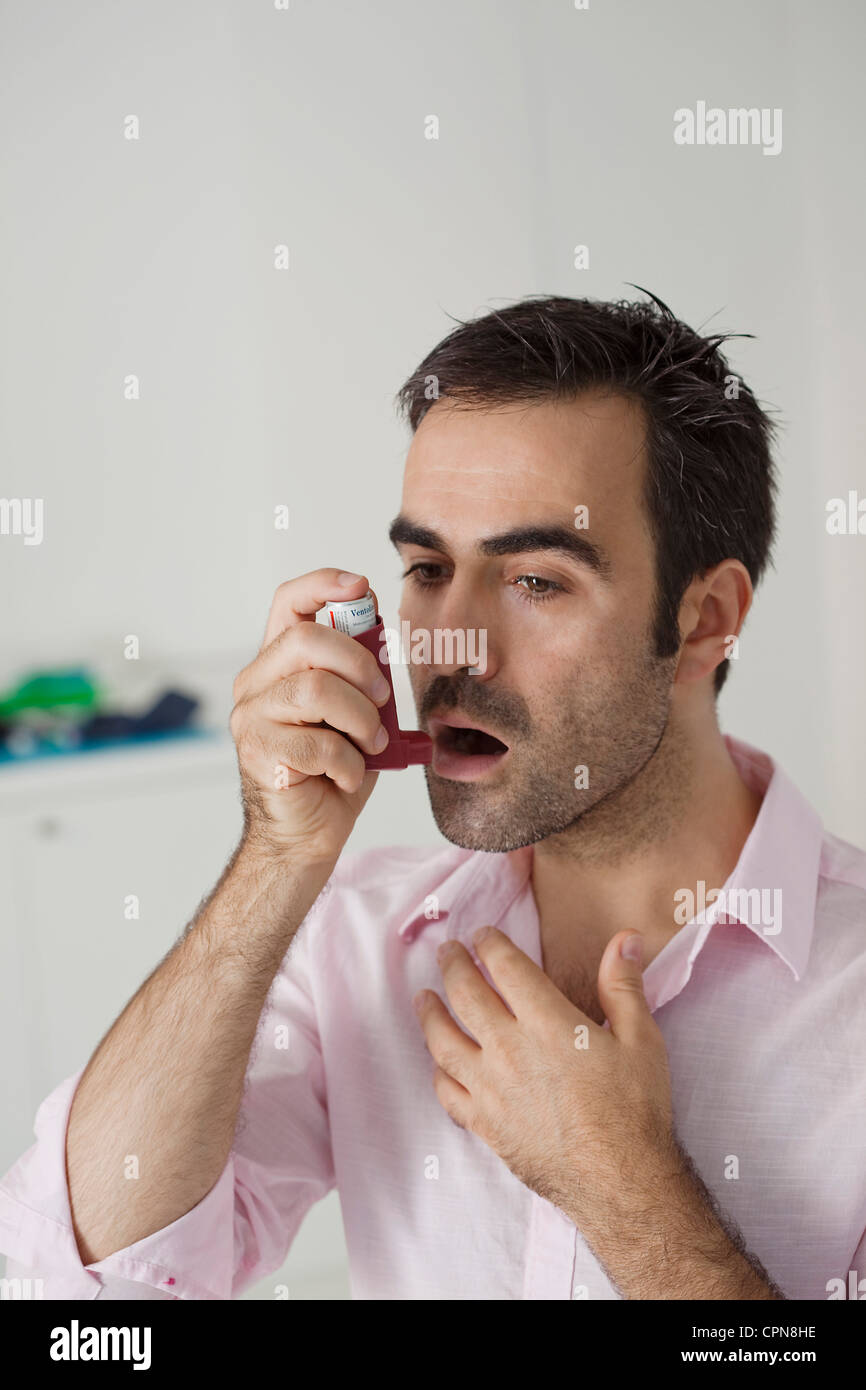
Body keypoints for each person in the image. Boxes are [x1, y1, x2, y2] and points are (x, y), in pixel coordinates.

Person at [2, 294, 864, 1300]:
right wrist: (276, 859)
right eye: (425, 568)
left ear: (704, 618)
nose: (447, 646)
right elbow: (79, 1282)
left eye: (535, 581)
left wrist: (624, 1187)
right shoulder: (359, 938)